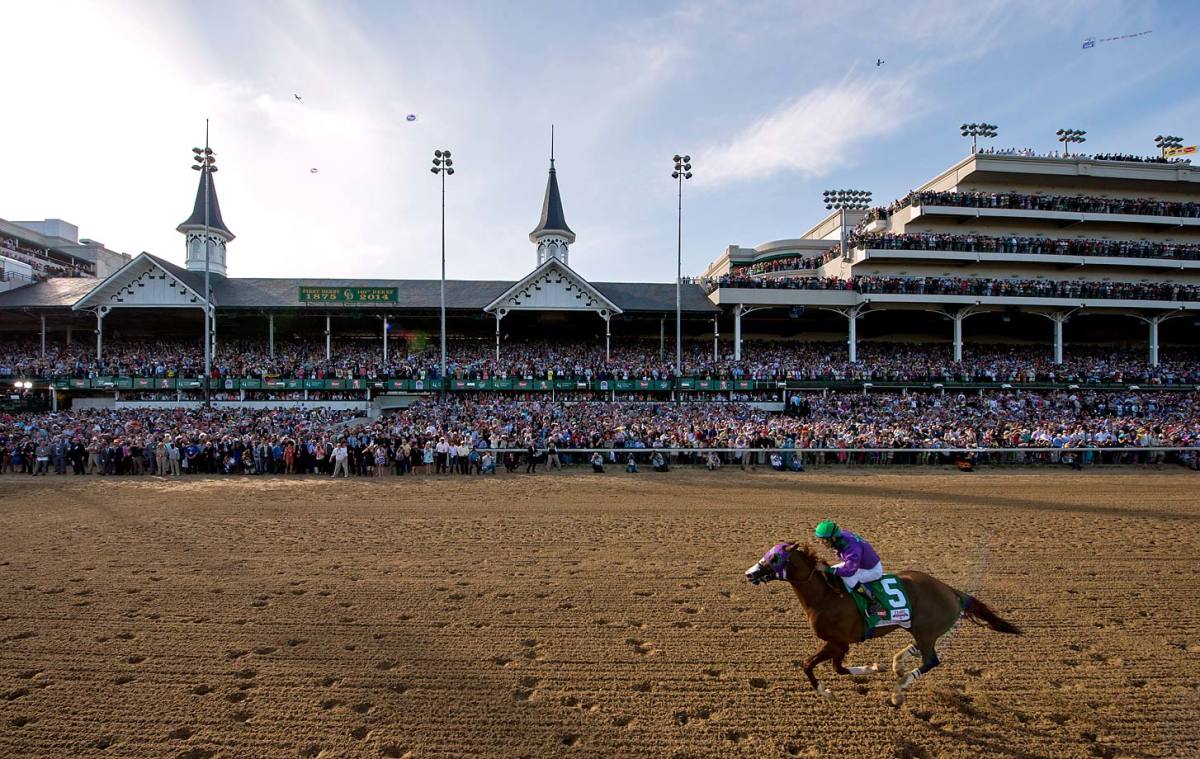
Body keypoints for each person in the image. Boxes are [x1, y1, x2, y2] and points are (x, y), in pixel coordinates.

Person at [814, 520, 886, 617]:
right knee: (833, 569)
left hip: (872, 570)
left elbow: (849, 572)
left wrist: (826, 569)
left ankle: (873, 602)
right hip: (860, 564)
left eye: (824, 540)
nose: (821, 543)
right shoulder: (842, 536)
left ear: (833, 538)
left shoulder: (851, 549)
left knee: (848, 578)